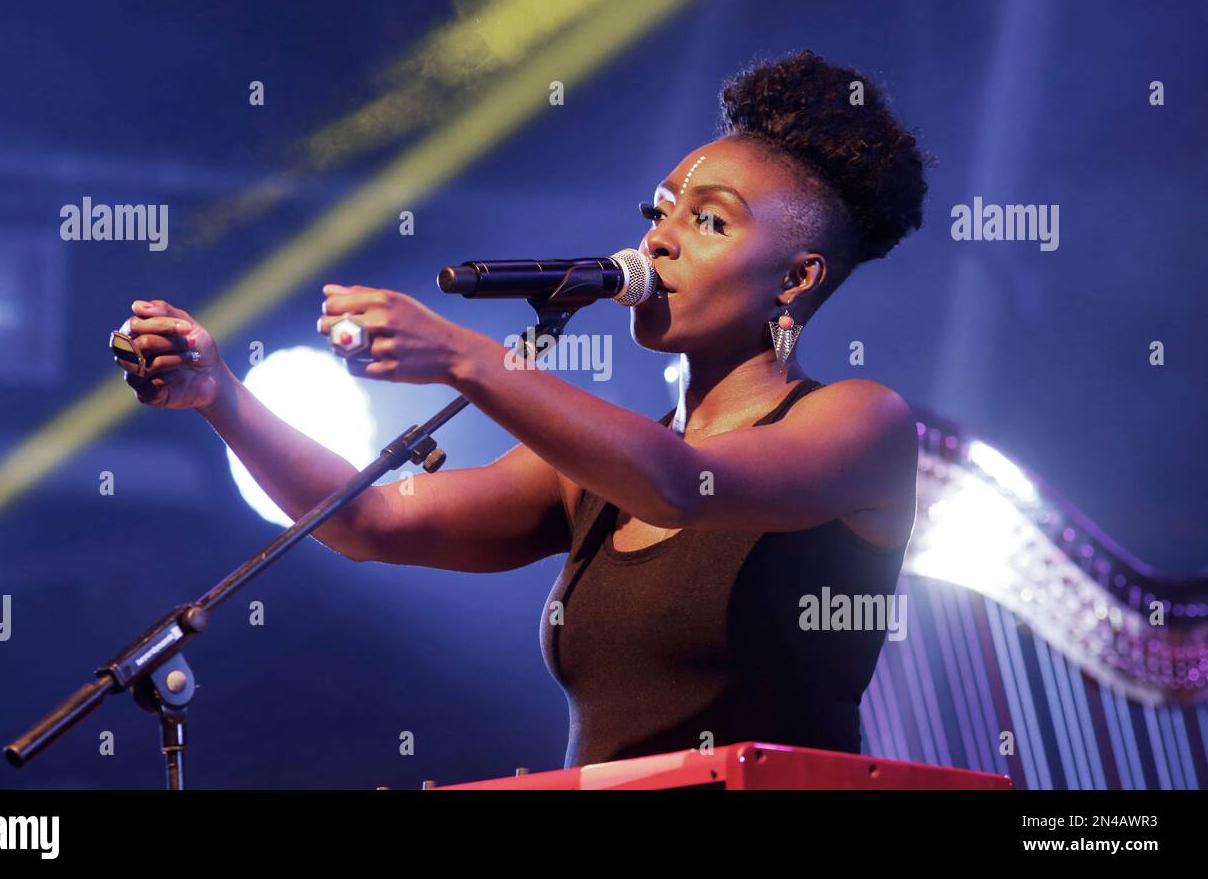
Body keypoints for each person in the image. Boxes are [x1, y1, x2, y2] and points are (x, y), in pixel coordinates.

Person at [117, 49, 929, 768]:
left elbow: (685, 486)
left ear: (795, 280)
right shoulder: (594, 472)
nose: (658, 240)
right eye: (660, 211)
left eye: (709, 220)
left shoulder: (861, 423)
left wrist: (469, 357)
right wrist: (220, 396)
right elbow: (370, 525)